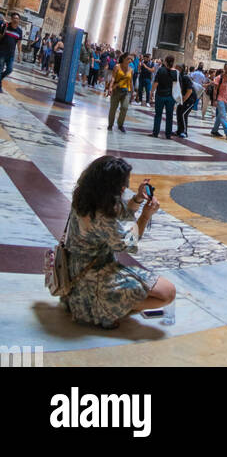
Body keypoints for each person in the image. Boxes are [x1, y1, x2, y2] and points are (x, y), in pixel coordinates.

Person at [59, 155, 174, 329]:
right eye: (122, 184)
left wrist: (137, 199)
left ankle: (100, 305)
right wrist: (145, 216)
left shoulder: (87, 197)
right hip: (94, 277)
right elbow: (129, 242)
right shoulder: (100, 214)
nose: (124, 187)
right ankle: (102, 309)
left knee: (157, 288)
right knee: (167, 293)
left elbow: (118, 213)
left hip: (76, 272)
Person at [151, 55, 180, 139]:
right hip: (170, 97)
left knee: (158, 115)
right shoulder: (176, 72)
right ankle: (168, 134)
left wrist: (151, 92)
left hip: (160, 95)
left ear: (165, 61)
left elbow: (156, 82)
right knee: (169, 116)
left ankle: (155, 133)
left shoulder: (161, 70)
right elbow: (178, 85)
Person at [106, 52, 134, 133]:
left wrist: (132, 93)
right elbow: (113, 78)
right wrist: (110, 88)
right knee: (113, 109)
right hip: (116, 90)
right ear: (123, 59)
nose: (130, 60)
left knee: (125, 108)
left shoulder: (131, 69)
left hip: (126, 91)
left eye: (130, 59)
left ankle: (120, 124)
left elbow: (130, 81)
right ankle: (110, 124)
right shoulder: (117, 67)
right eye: (128, 58)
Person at [0, 11, 23, 92]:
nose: (15, 20)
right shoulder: (5, 26)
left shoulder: (19, 31)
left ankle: (0, 78)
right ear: (11, 19)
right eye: (14, 18)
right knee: (0, 69)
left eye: (17, 18)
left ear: (19, 20)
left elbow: (19, 43)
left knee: (9, 69)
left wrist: (19, 54)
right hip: (2, 52)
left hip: (11, 54)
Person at [212, 64, 227, 139]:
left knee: (219, 116)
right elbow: (215, 90)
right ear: (224, 68)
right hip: (220, 99)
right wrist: (215, 100)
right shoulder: (219, 78)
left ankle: (214, 130)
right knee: (223, 116)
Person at [175, 63, 196, 138]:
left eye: (176, 68)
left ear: (180, 69)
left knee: (183, 114)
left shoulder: (185, 77)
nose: (175, 69)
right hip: (184, 98)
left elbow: (189, 91)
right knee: (178, 112)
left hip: (190, 99)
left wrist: (183, 100)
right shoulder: (179, 77)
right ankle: (179, 130)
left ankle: (184, 132)